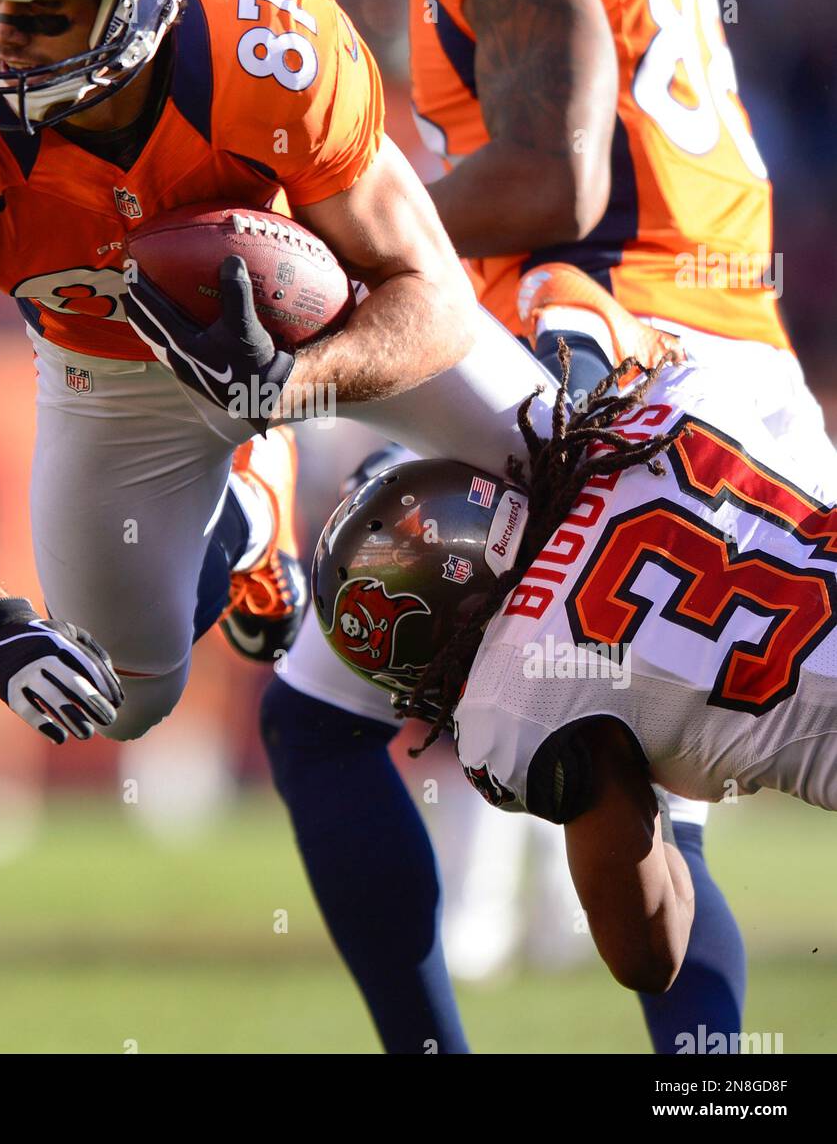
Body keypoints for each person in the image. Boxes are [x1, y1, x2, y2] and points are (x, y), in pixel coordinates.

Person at [257, 0, 834, 1052]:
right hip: (743, 392)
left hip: (618, 367)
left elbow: (552, 174)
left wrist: (329, 238)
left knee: (320, 721)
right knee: (640, 782)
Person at [0, 0, 559, 785]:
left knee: (566, 456)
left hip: (314, 321)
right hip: (106, 367)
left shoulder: (274, 45)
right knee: (121, 697)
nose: (2, 44)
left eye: (49, 15)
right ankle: (248, 522)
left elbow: (429, 295)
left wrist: (292, 381)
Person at [313, 330, 837, 994]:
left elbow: (651, 952)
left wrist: (624, 750)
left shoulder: (519, 694)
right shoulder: (645, 411)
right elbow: (768, 379)